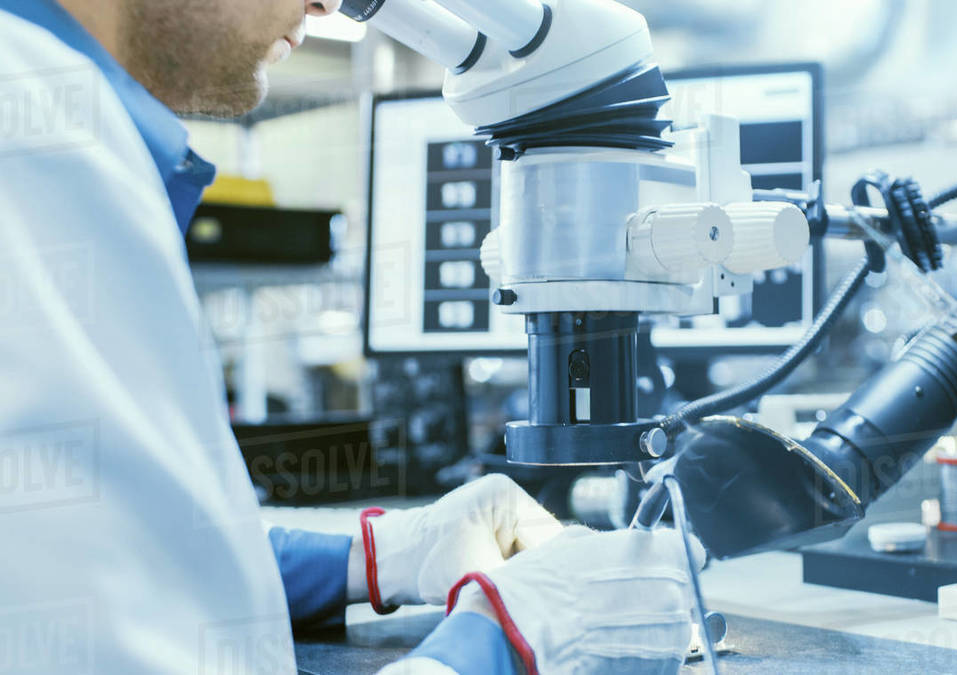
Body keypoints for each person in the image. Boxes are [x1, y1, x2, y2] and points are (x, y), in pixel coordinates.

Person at [0, 0, 698, 672]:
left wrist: (378, 555)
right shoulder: (29, 146)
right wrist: (510, 641)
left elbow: (110, 552)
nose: (327, 4)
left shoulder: (52, 108)